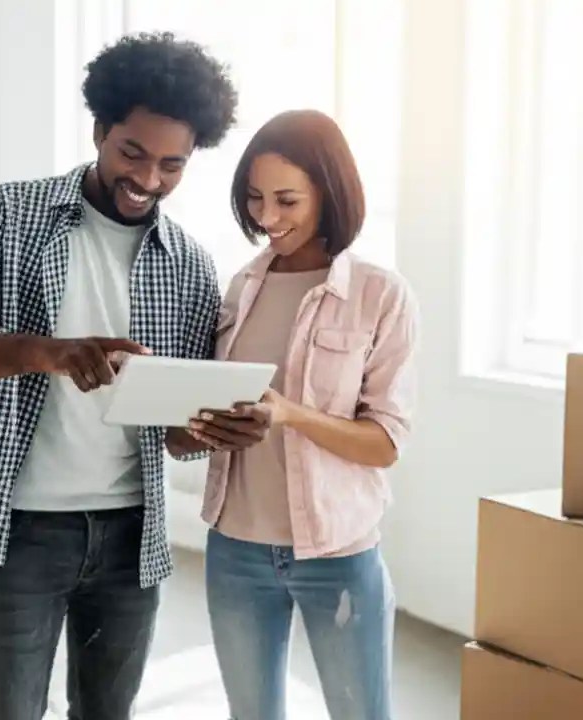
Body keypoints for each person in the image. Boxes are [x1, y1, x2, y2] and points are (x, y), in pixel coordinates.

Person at [0, 32, 263, 720]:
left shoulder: (190, 265)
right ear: (100, 128)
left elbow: (175, 438)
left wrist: (217, 428)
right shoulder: (9, 214)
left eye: (172, 165)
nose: (148, 179)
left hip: (131, 535)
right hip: (22, 529)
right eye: (132, 152)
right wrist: (49, 352)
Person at [187, 109, 419, 720]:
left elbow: (386, 441)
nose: (267, 218)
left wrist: (291, 415)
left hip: (337, 553)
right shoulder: (241, 286)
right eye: (255, 198)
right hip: (235, 548)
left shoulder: (379, 293)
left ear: (329, 191)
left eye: (287, 200)